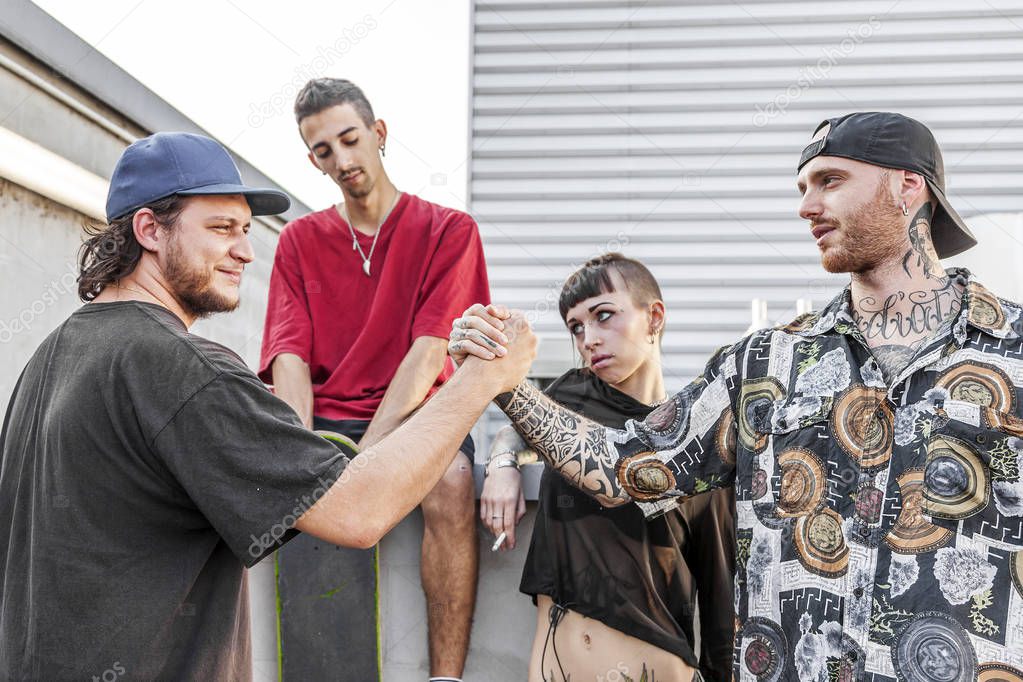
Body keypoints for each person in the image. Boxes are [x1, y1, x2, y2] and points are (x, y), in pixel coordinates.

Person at [452, 112, 1023, 679]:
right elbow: (630, 468)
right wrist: (507, 387)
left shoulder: (1013, 353)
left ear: (907, 184)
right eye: (803, 188)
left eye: (830, 181)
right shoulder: (762, 364)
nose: (806, 207)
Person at [0, 132, 535, 681]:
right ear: (149, 230)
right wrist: (482, 378)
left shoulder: (52, 356)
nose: (246, 251)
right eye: (221, 229)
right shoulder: (177, 366)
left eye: (247, 230)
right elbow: (358, 514)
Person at [258, 78, 489, 682]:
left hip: (416, 413)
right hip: (328, 416)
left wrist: (363, 459)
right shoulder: (299, 241)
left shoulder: (449, 230)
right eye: (323, 150)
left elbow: (428, 352)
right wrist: (299, 451)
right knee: (283, 487)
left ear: (379, 134)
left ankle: (445, 677)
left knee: (454, 479)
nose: (341, 160)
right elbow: (289, 357)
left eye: (350, 139)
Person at [479, 253, 735, 681]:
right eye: (576, 327)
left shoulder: (698, 444)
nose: (588, 339)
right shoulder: (572, 395)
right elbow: (519, 428)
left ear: (654, 317)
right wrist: (502, 463)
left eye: (603, 316)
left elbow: (720, 604)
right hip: (552, 665)